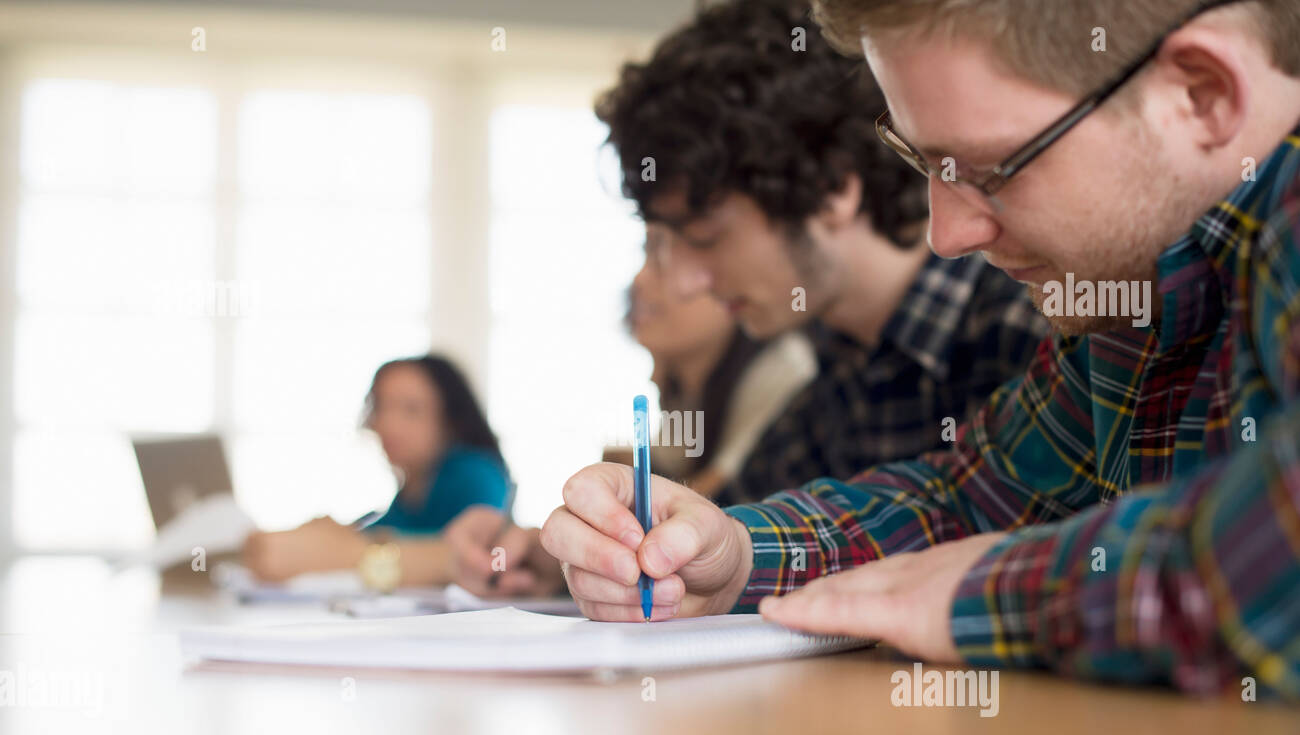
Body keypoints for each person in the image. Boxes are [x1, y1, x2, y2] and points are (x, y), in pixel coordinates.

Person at [539, 0, 1300, 699]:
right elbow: (969, 500)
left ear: (1202, 92)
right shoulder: (1136, 292)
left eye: (989, 168)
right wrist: (735, 556)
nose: (948, 234)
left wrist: (989, 595)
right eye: (925, 164)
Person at [593, 0, 1049, 505]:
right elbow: (729, 528)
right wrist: (578, 550)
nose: (684, 284)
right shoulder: (835, 369)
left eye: (706, 238)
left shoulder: (1033, 329)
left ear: (832, 189)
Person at [242, 354, 512, 586]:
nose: (387, 424)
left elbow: (480, 554)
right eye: (380, 406)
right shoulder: (410, 495)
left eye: (411, 410)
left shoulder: (475, 473)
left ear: (450, 419)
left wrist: (342, 549)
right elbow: (377, 536)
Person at [607, 222, 818, 499]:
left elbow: (711, 499)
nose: (640, 280)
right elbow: (667, 470)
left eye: (662, 256)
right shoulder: (688, 388)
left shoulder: (787, 366)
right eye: (647, 253)